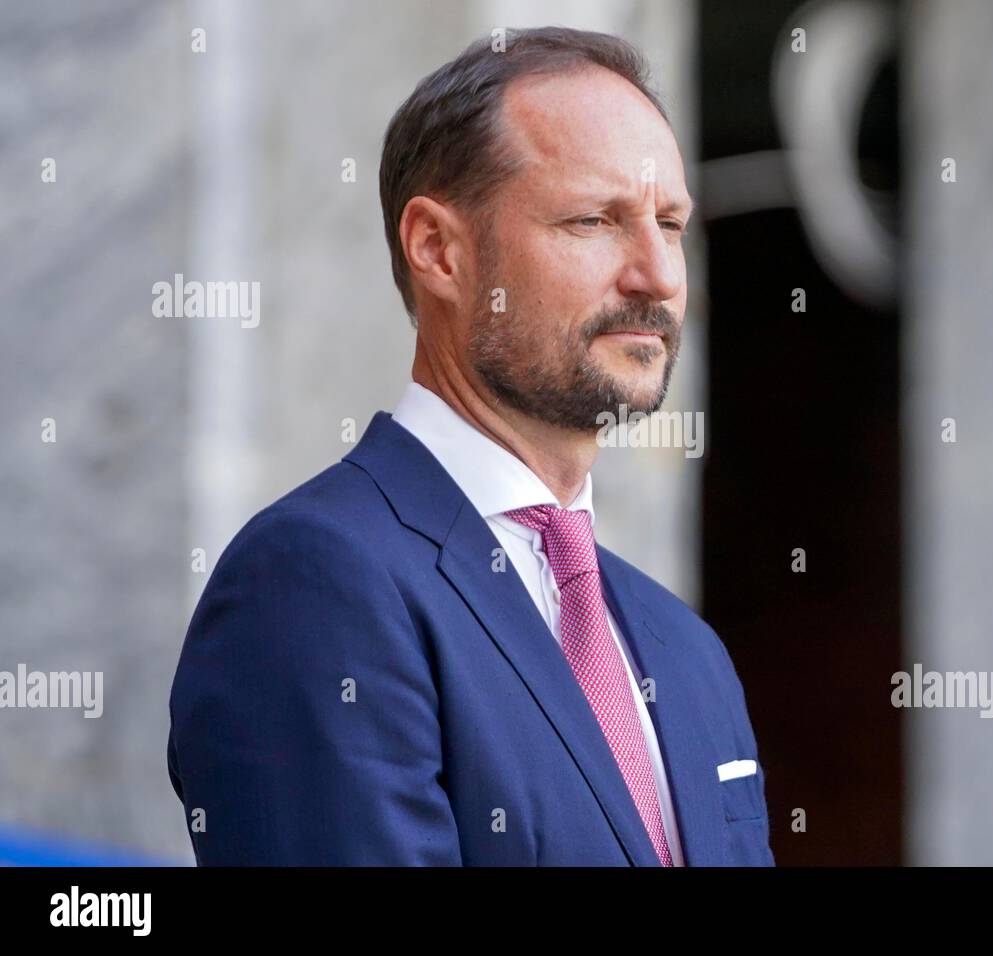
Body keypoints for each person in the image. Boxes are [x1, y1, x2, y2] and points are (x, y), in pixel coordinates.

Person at [166, 26, 774, 866]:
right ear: (439, 251)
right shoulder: (314, 583)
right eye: (594, 219)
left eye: (669, 224)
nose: (658, 276)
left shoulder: (687, 652)